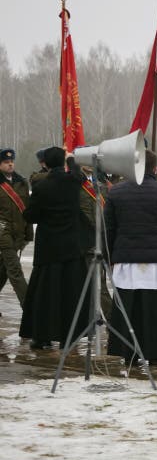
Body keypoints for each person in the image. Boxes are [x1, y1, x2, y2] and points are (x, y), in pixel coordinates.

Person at [105, 150, 157, 365]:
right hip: (155, 258)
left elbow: (109, 229)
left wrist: (109, 257)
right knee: (156, 309)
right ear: (155, 168)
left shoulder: (116, 193)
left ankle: (128, 353)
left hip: (126, 257)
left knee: (129, 308)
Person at [19, 147, 89, 349]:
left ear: (46, 164)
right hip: (71, 246)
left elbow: (30, 216)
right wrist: (72, 159)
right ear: (63, 163)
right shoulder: (73, 181)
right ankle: (70, 335)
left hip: (49, 247)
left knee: (46, 295)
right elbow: (78, 174)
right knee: (71, 292)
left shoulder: (41, 186)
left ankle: (42, 336)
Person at [0, 148, 33, 312]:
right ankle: (30, 310)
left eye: (11, 161)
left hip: (18, 234)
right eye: (6, 162)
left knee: (4, 270)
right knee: (15, 271)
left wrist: (28, 235)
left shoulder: (21, 182)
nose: (10, 164)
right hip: (2, 232)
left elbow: (26, 209)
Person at [77, 165, 112, 316]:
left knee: (99, 280)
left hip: (102, 238)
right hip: (87, 239)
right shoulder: (76, 184)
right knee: (98, 281)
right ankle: (111, 316)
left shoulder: (101, 185)